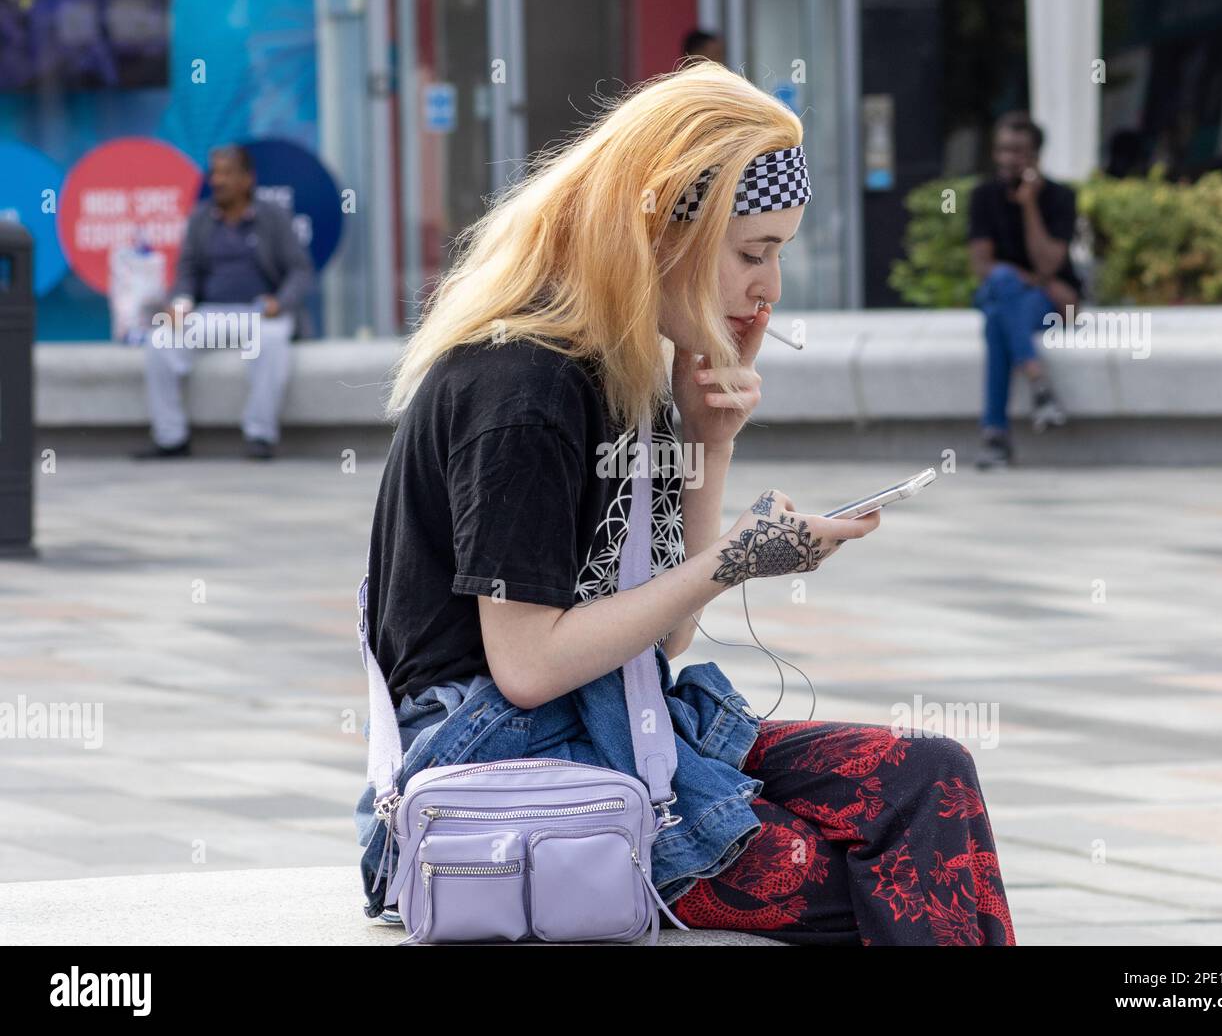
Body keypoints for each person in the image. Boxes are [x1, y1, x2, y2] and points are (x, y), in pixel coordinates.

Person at [354, 60, 1017, 946]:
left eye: (779, 252)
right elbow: (528, 667)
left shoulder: (620, 370)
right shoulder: (522, 389)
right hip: (503, 764)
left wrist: (709, 441)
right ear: (661, 231)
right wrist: (734, 560)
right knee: (883, 876)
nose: (769, 290)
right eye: (753, 253)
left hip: (619, 721)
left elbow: (660, 634)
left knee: (930, 772)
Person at [133, 144, 316, 461]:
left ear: (247, 179)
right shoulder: (201, 218)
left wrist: (280, 303)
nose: (218, 180)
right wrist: (181, 303)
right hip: (211, 315)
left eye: (227, 173)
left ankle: (260, 435)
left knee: (273, 342)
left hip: (261, 315)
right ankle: (171, 437)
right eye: (215, 172)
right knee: (160, 340)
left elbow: (300, 270)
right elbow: (187, 271)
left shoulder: (272, 217)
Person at [968, 111, 1077, 470]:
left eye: (1017, 151)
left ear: (1035, 156)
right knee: (1000, 283)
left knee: (997, 321)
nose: (1007, 159)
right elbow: (982, 266)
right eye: (1002, 150)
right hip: (1025, 291)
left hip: (1040, 303)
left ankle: (996, 438)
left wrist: (1029, 204)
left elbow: (1048, 262)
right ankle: (1038, 383)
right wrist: (1034, 280)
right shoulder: (983, 196)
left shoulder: (1060, 197)